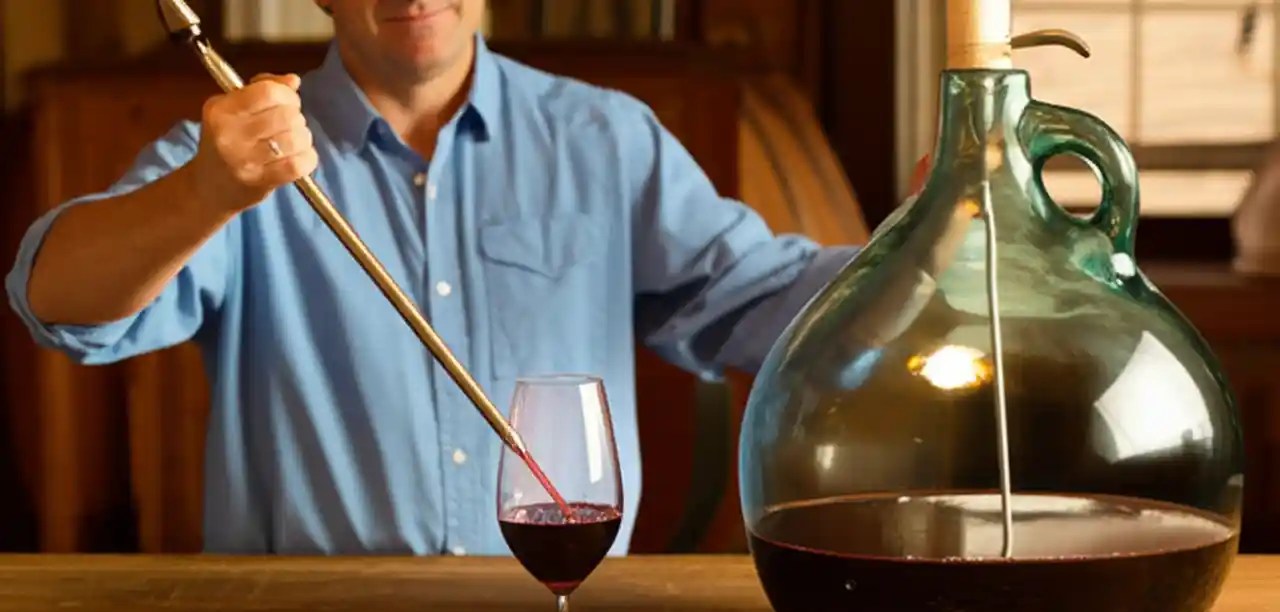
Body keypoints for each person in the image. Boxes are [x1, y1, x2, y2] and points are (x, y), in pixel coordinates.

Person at [5, 0, 858, 556]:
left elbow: (764, 298)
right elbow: (55, 302)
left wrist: (934, 242)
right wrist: (202, 192)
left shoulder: (606, 137)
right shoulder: (237, 152)